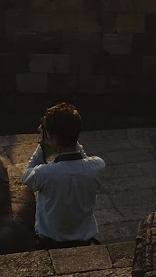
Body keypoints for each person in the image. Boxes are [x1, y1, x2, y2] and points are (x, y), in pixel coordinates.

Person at [22, 102, 107, 250]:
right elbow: (82, 157)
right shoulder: (97, 166)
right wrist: (67, 137)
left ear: (52, 137)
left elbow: (27, 176)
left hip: (50, 244)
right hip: (85, 243)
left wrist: (43, 144)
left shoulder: (45, 174)